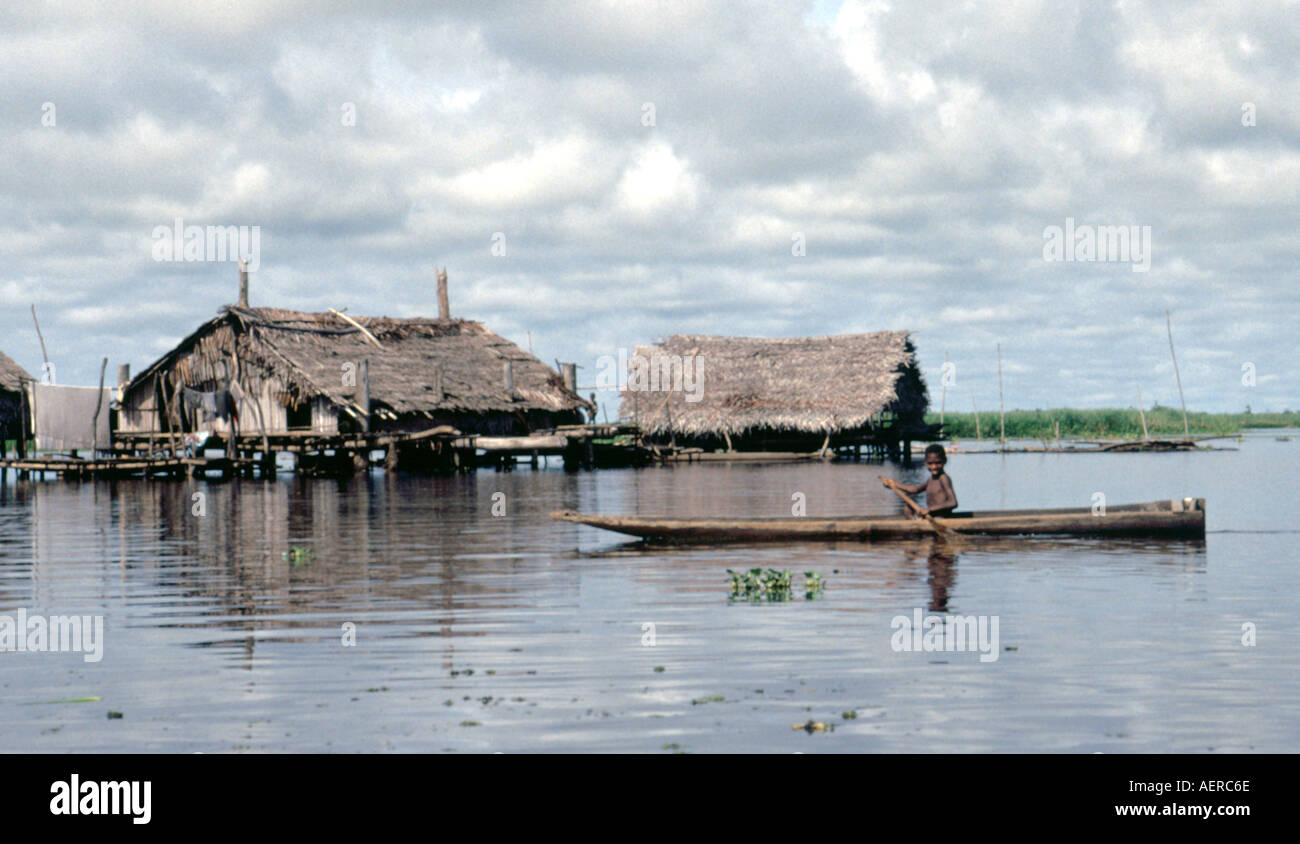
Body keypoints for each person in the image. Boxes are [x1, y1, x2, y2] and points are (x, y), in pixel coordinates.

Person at [881, 444, 957, 518]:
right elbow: (915, 489)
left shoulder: (943, 478)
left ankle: (918, 525)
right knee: (907, 509)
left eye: (938, 463)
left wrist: (930, 509)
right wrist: (894, 484)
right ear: (925, 463)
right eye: (930, 463)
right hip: (932, 515)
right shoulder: (931, 479)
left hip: (941, 517)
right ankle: (916, 524)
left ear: (945, 461)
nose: (934, 467)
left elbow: (953, 502)